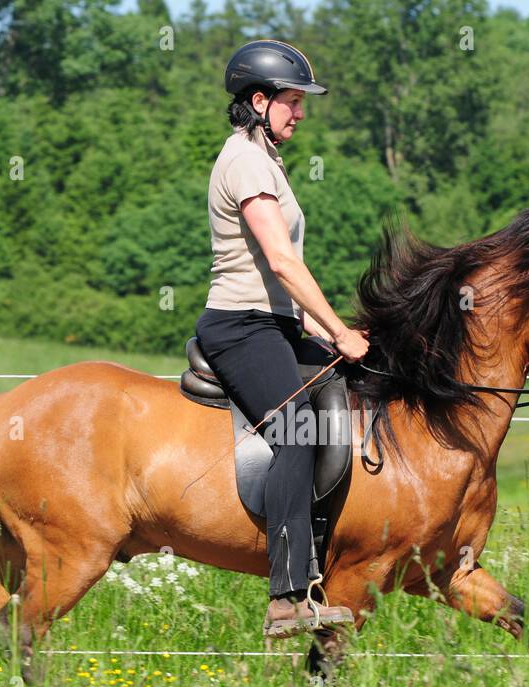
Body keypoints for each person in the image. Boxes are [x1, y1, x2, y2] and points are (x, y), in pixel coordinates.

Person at [195, 39, 369, 638]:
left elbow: (283, 276)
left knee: (359, 383)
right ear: (259, 100)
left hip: (276, 322)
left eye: (301, 103)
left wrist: (326, 331)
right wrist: (340, 330)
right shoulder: (244, 161)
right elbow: (282, 261)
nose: (300, 113)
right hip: (240, 326)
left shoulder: (266, 159)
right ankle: (288, 596)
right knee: (297, 428)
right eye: (292, 102)